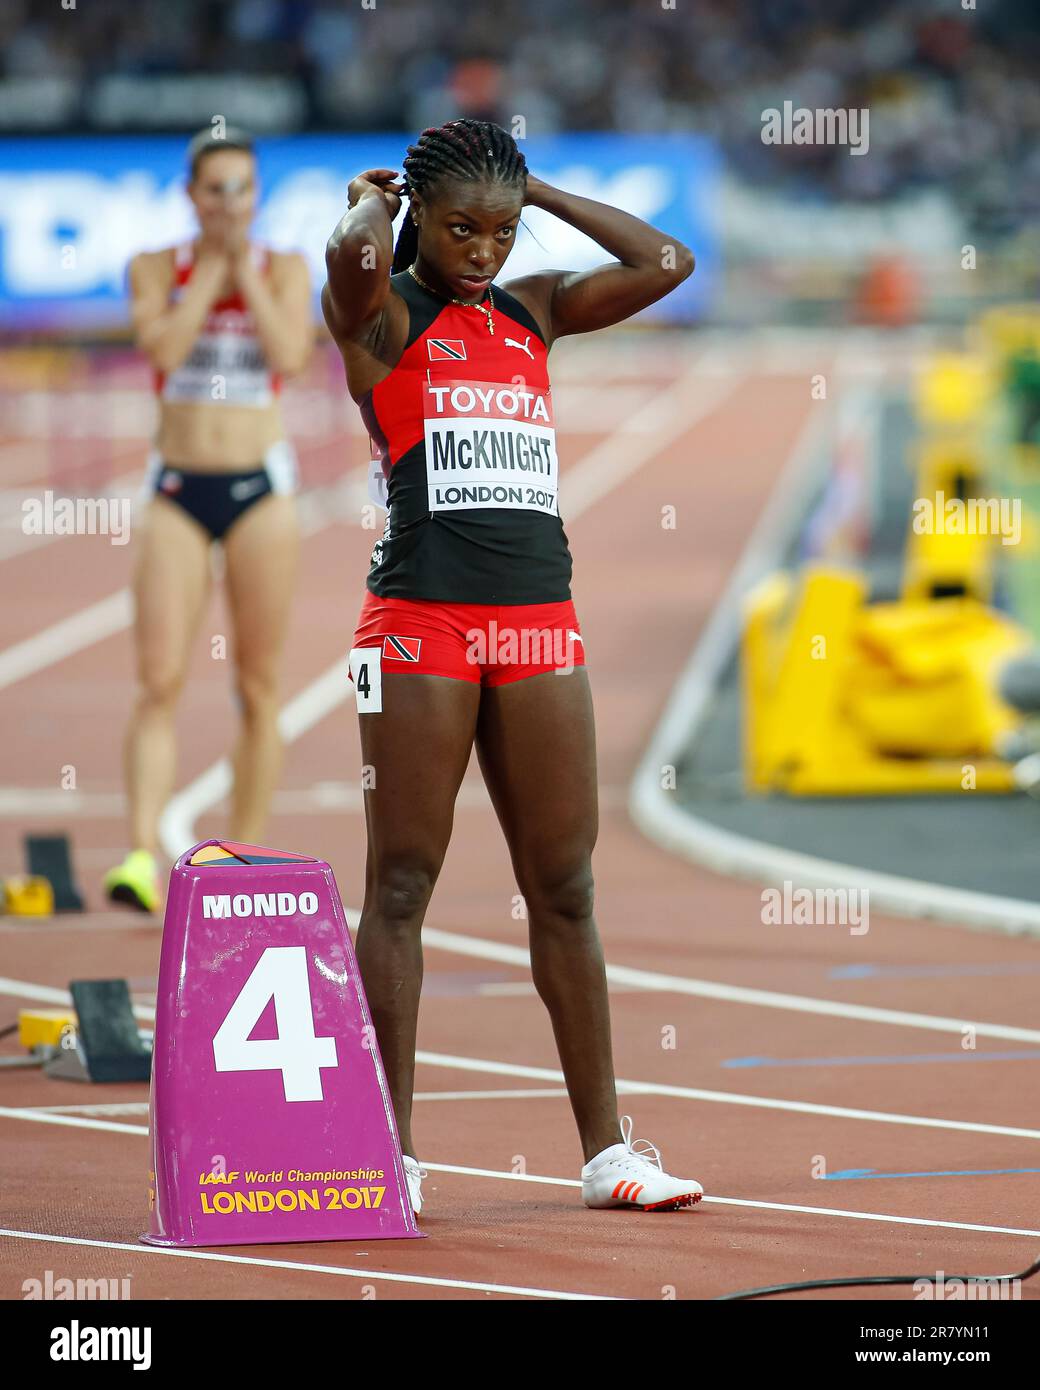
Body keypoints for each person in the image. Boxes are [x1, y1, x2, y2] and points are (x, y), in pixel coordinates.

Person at [323, 118, 702, 1214]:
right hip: (417, 627)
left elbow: (664, 263)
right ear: (417, 223)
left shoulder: (532, 310)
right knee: (401, 882)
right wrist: (373, 208)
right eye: (461, 229)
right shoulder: (383, 317)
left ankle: (606, 1153)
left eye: (499, 229)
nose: (483, 251)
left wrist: (542, 195)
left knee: (567, 886)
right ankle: (385, 1153)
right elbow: (346, 268)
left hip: (539, 625)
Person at [105, 128, 313, 912]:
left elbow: (292, 355)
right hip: (177, 488)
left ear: (258, 198)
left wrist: (243, 274)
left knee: (259, 687)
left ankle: (245, 854)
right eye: (216, 190)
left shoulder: (285, 267)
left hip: (260, 487)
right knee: (158, 680)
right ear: (192, 196)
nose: (231, 204)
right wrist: (213, 272)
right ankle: (137, 855)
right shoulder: (157, 267)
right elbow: (161, 343)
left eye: (243, 190)